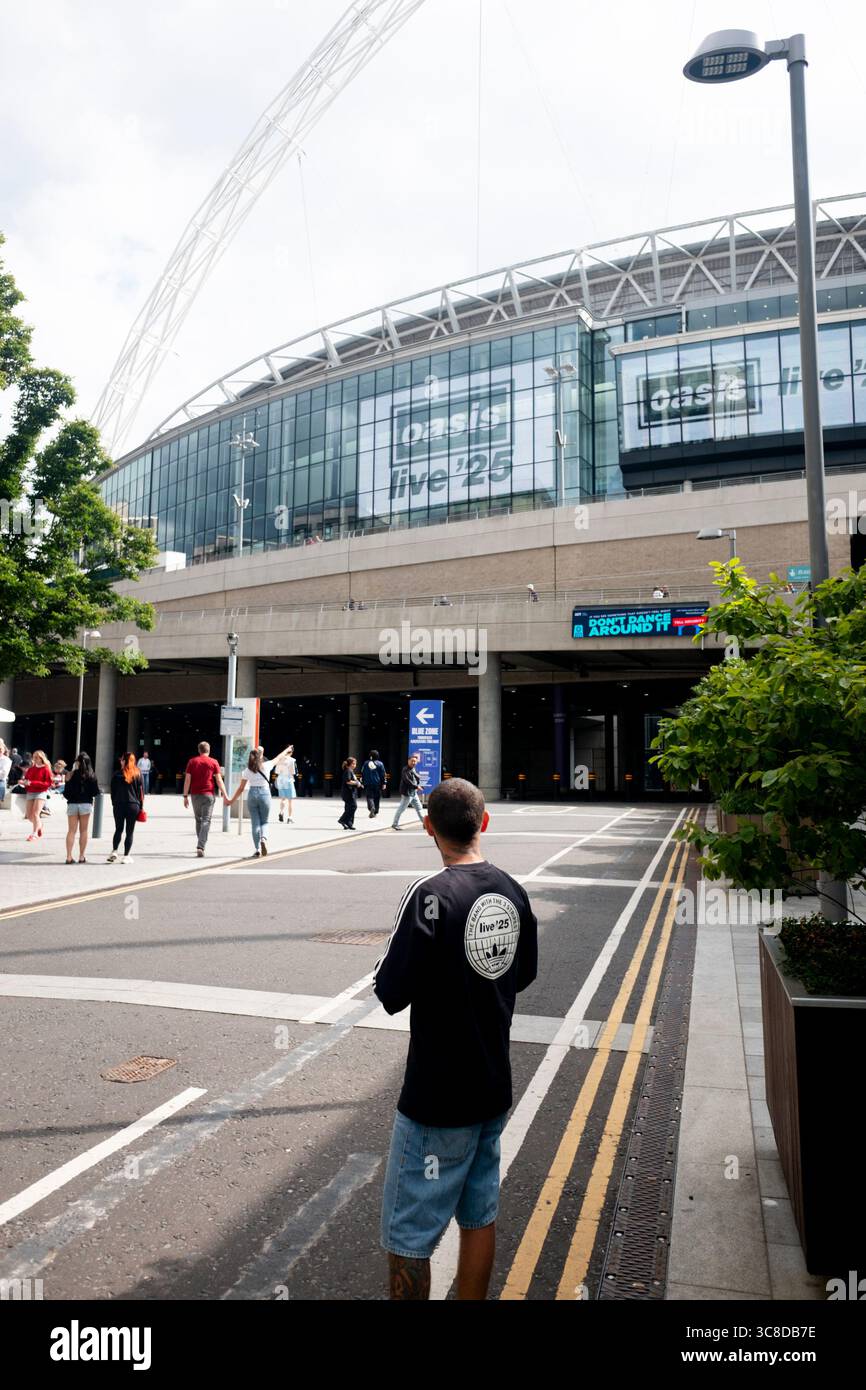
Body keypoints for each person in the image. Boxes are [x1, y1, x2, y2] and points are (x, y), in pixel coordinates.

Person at [373, 777, 538, 1300]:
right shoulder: (512, 889)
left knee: (409, 1234)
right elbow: (522, 973)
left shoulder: (430, 895)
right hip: (492, 1086)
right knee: (479, 1214)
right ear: (484, 822)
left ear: (429, 827)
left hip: (436, 1097)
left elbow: (390, 990)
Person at [224, 745, 290, 857]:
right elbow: (278, 758)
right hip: (265, 794)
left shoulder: (247, 771)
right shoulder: (266, 765)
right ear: (260, 757)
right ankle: (263, 839)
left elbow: (241, 789)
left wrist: (231, 801)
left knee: (255, 823)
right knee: (264, 821)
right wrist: (287, 750)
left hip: (252, 794)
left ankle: (257, 849)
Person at [182, 741, 227, 858]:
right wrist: (225, 794)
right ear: (209, 750)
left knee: (198, 820)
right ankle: (201, 846)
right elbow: (219, 780)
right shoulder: (214, 762)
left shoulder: (192, 761)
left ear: (199, 750)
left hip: (195, 795)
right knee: (206, 820)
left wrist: (185, 796)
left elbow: (187, 780)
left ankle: (200, 844)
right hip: (208, 795)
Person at [63, 751, 100, 863]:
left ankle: (69, 857)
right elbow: (95, 792)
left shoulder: (71, 774)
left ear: (77, 763)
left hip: (72, 804)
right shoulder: (92, 775)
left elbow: (66, 793)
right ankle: (81, 856)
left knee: (71, 831)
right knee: (83, 831)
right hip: (85, 804)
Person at [107, 752, 144, 863]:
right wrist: (141, 807)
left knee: (118, 829)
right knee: (129, 831)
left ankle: (114, 851)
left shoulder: (116, 774)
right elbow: (141, 793)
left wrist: (114, 803)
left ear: (125, 761)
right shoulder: (138, 774)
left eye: (122, 759)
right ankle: (126, 856)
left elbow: (112, 792)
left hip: (119, 804)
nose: (120, 761)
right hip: (133, 805)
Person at [22, 750, 52, 841]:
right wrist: (25, 783)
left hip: (41, 793)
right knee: (29, 816)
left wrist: (32, 783)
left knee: (35, 814)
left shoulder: (46, 769)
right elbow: (26, 779)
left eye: (36, 757)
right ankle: (40, 825)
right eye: (33, 757)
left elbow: (48, 783)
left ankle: (34, 834)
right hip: (30, 792)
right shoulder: (31, 769)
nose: (34, 759)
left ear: (41, 758)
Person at [392, 754, 425, 829]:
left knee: (419, 808)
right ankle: (395, 824)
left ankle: (425, 823)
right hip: (407, 793)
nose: (413, 763)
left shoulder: (413, 769)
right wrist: (417, 786)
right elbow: (407, 781)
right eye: (412, 761)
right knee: (401, 809)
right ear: (408, 761)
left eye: (415, 761)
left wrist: (418, 782)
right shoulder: (405, 770)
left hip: (413, 793)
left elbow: (415, 776)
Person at [361, 749, 387, 818]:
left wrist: (362, 782)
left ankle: (371, 807)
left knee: (369, 797)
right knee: (377, 797)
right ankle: (375, 811)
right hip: (377, 783)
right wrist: (384, 783)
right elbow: (383, 774)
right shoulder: (380, 764)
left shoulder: (366, 763)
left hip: (368, 783)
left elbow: (363, 773)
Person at [337, 757, 362, 829]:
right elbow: (348, 781)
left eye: (355, 764)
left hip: (351, 792)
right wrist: (357, 783)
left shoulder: (351, 771)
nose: (354, 765)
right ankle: (342, 820)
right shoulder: (348, 771)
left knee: (348, 808)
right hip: (348, 793)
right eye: (353, 764)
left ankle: (349, 823)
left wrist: (358, 783)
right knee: (353, 806)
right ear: (349, 764)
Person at [275, 745, 298, 823]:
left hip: (280, 780)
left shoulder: (279, 759)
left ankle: (281, 812)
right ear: (292, 752)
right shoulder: (292, 760)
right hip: (288, 780)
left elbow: (277, 771)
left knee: (283, 799)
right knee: (290, 801)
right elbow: (293, 772)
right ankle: (290, 817)